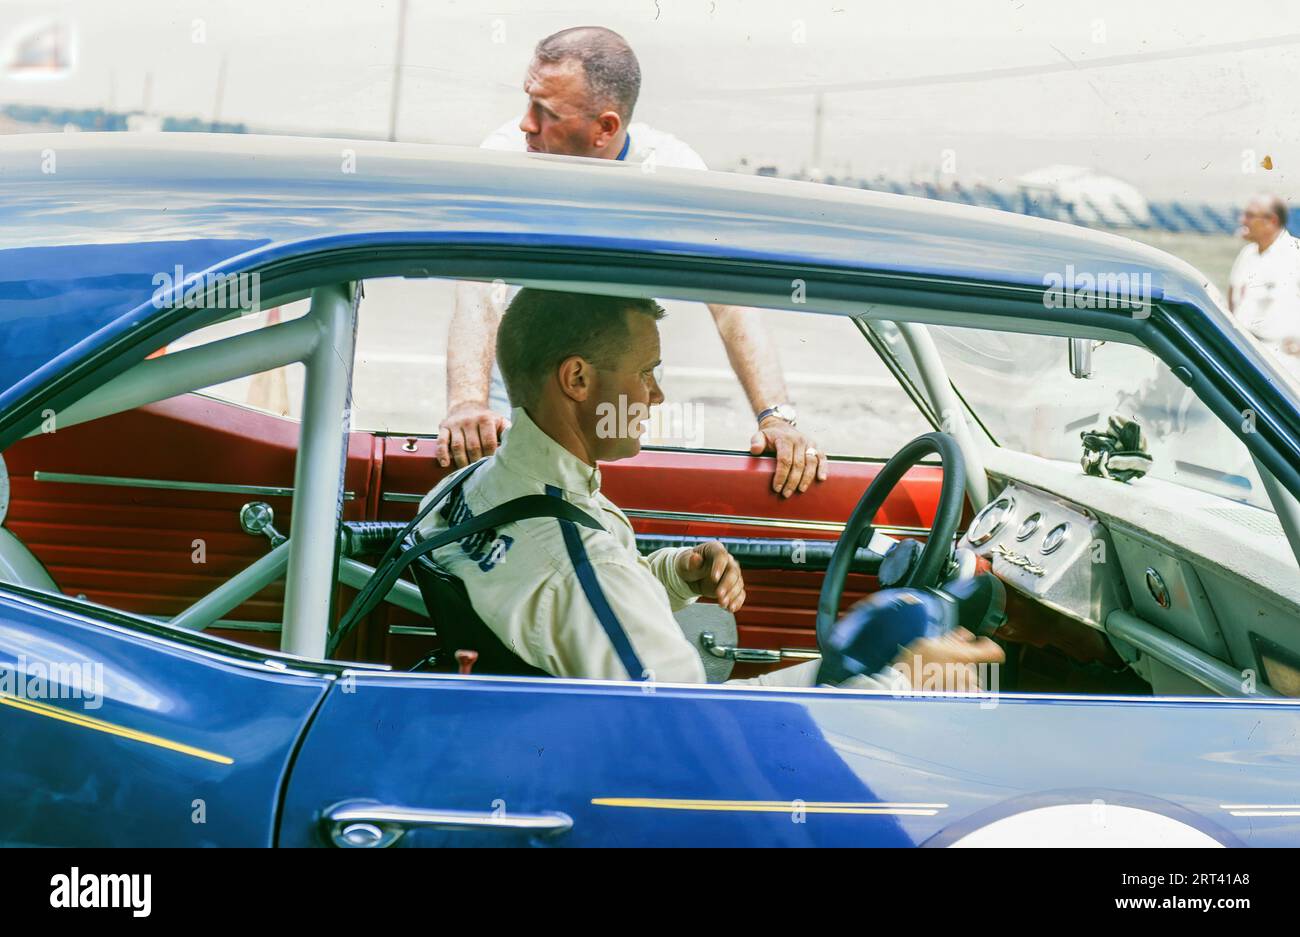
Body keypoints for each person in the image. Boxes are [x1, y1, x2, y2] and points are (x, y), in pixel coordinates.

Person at [417, 288, 1004, 690]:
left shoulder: (459, 492)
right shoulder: (575, 564)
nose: (656, 396)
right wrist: (897, 682)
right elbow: (697, 728)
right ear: (576, 379)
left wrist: (671, 575)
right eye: (646, 371)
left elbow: (565, 615)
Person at [438, 25, 827, 499]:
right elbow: (479, 288)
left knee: (607, 503)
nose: (525, 124)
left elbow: (732, 305)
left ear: (606, 127)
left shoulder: (672, 173)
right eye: (527, 101)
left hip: (621, 380)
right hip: (521, 375)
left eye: (546, 112)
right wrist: (466, 403)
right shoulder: (506, 158)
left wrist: (775, 418)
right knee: (489, 484)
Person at [1228, 194, 1300, 358]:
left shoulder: (1295, 254)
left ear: (1272, 221)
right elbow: (1233, 296)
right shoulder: (1247, 254)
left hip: (1283, 356)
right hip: (1246, 349)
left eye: (1250, 216)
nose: (1242, 220)